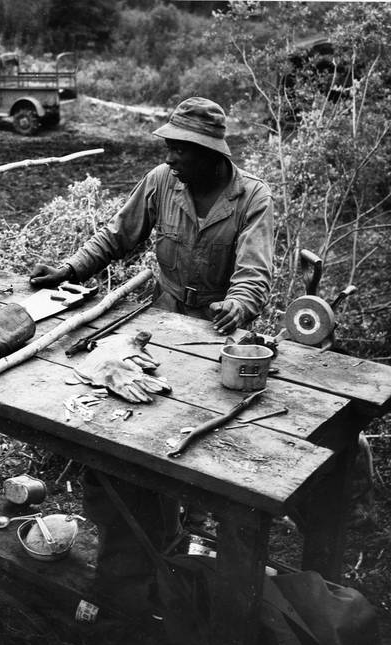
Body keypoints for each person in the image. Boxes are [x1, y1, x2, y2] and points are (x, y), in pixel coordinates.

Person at [30, 97, 274, 603]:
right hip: (158, 325)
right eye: (168, 147)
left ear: (210, 152)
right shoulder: (163, 182)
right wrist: (71, 270)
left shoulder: (252, 197)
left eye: (179, 149)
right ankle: (141, 551)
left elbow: (254, 272)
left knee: (202, 446)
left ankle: (186, 549)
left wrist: (238, 306)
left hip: (215, 336)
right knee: (128, 434)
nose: (170, 157)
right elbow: (118, 235)